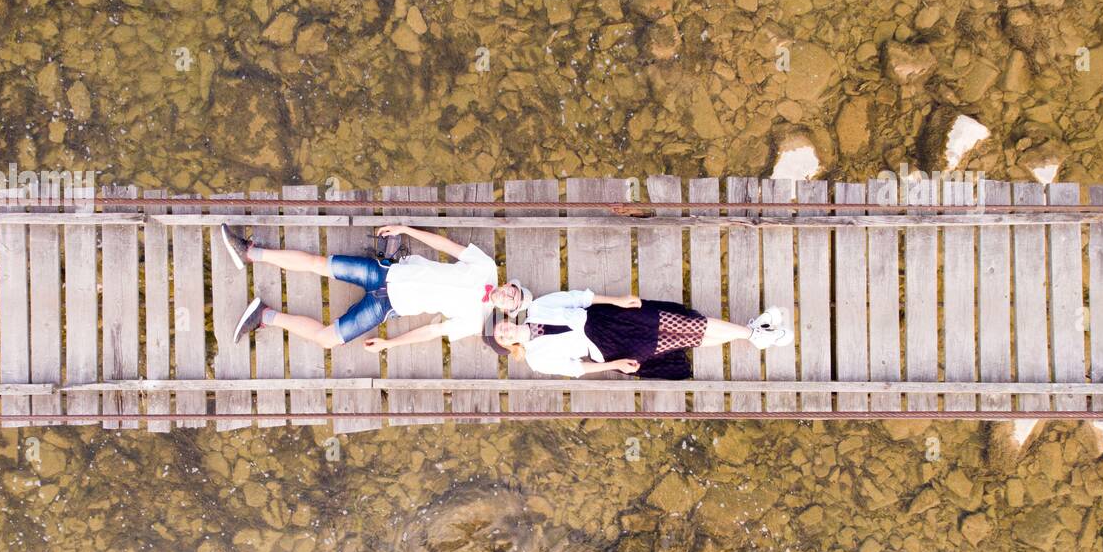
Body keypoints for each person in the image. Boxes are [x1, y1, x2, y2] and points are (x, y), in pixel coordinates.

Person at [220, 222, 531, 350]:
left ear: (506, 311)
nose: (507, 298)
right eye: (512, 292)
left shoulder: (476, 321)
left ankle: (265, 316)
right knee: (319, 264)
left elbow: (432, 332)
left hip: (387, 306)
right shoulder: (486, 267)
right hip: (385, 273)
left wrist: (389, 344)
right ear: (507, 284)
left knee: (329, 339)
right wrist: (405, 229)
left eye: (510, 304)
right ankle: (250, 252)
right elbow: (446, 245)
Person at [486, 290, 792, 377]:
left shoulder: (539, 306)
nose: (505, 329)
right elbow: (577, 368)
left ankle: (755, 333)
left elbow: (581, 298)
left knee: (686, 324)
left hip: (608, 317)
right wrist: (614, 365)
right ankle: (755, 333)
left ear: (507, 319)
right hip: (607, 346)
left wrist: (617, 300)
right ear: (508, 344)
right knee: (687, 335)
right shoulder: (537, 359)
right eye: (502, 336)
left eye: (501, 325)